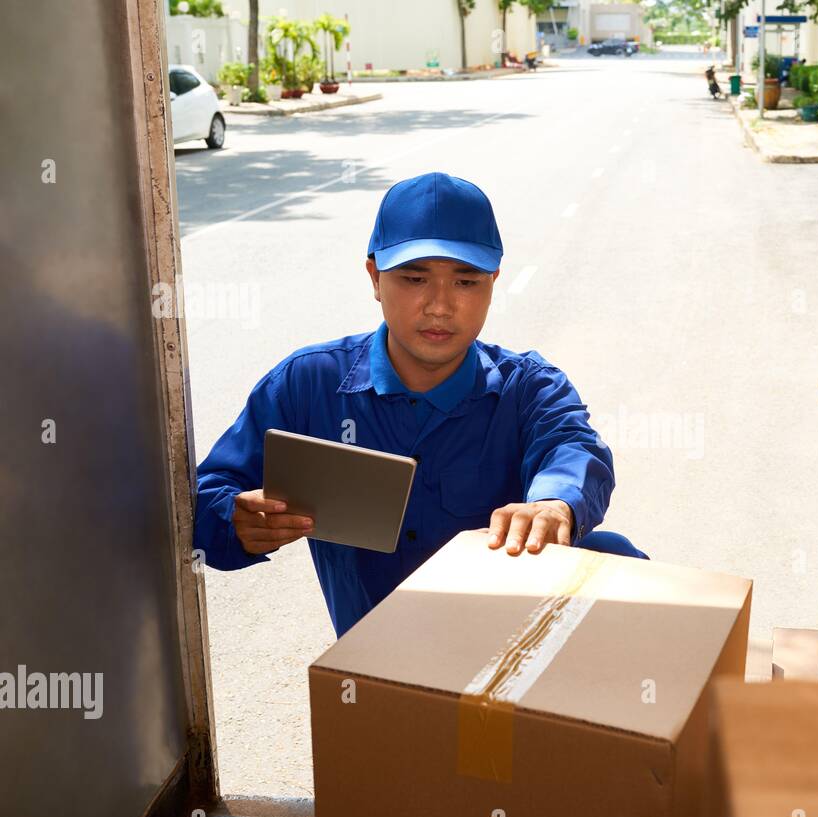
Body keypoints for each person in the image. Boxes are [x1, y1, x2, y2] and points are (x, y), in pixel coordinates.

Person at [193, 171, 646, 638]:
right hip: (379, 671)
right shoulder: (307, 385)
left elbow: (572, 448)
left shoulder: (529, 387)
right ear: (374, 277)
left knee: (618, 561)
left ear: (493, 281)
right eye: (414, 278)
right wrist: (236, 520)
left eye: (466, 282)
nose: (440, 306)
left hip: (513, 653)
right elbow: (207, 497)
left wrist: (555, 504)